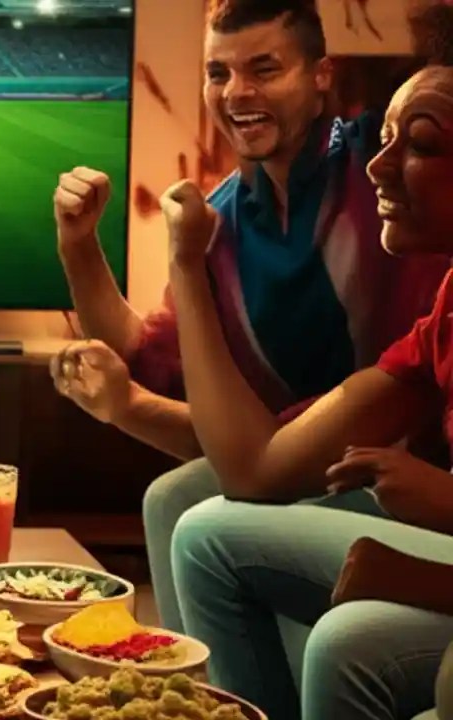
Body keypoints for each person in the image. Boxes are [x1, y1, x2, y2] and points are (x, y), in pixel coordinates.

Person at [47, 0, 448, 633]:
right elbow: (160, 368)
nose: (238, 93)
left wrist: (130, 402)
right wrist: (79, 245)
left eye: (264, 69)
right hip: (296, 463)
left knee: (201, 518)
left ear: (321, 76)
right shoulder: (224, 215)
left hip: (398, 478)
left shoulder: (378, 166)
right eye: (219, 74)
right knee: (170, 496)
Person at [160, 1, 453, 716]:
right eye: (384, 138)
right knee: (184, 507)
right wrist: (180, 262)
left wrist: (441, 501)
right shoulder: (446, 304)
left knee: (216, 541)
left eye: (418, 143)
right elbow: (258, 468)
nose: (379, 166)